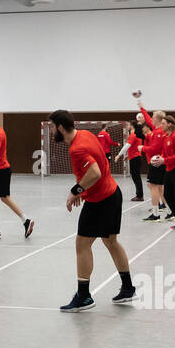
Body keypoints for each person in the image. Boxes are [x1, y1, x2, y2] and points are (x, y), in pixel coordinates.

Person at [48, 109, 134, 311]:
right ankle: (128, 288)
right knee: (111, 241)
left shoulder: (76, 149)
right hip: (113, 193)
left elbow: (94, 172)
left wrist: (75, 190)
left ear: (60, 127)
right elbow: (98, 165)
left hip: (100, 201)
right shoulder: (86, 134)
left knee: (82, 244)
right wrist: (82, 189)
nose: (51, 131)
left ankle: (84, 296)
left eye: (52, 126)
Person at [137, 100, 170, 221]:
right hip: (160, 162)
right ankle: (169, 212)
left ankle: (156, 214)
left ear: (158, 119)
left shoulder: (159, 132)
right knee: (160, 187)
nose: (151, 119)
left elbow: (155, 148)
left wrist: (142, 148)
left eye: (153, 117)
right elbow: (148, 119)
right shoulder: (158, 129)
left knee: (153, 186)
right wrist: (142, 108)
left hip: (156, 162)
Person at [118, 116, 147, 202]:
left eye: (129, 125)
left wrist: (119, 155)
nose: (127, 126)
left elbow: (127, 146)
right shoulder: (137, 135)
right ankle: (139, 195)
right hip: (135, 157)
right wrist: (127, 156)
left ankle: (139, 195)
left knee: (136, 177)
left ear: (132, 126)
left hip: (135, 159)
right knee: (136, 177)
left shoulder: (133, 135)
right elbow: (134, 148)